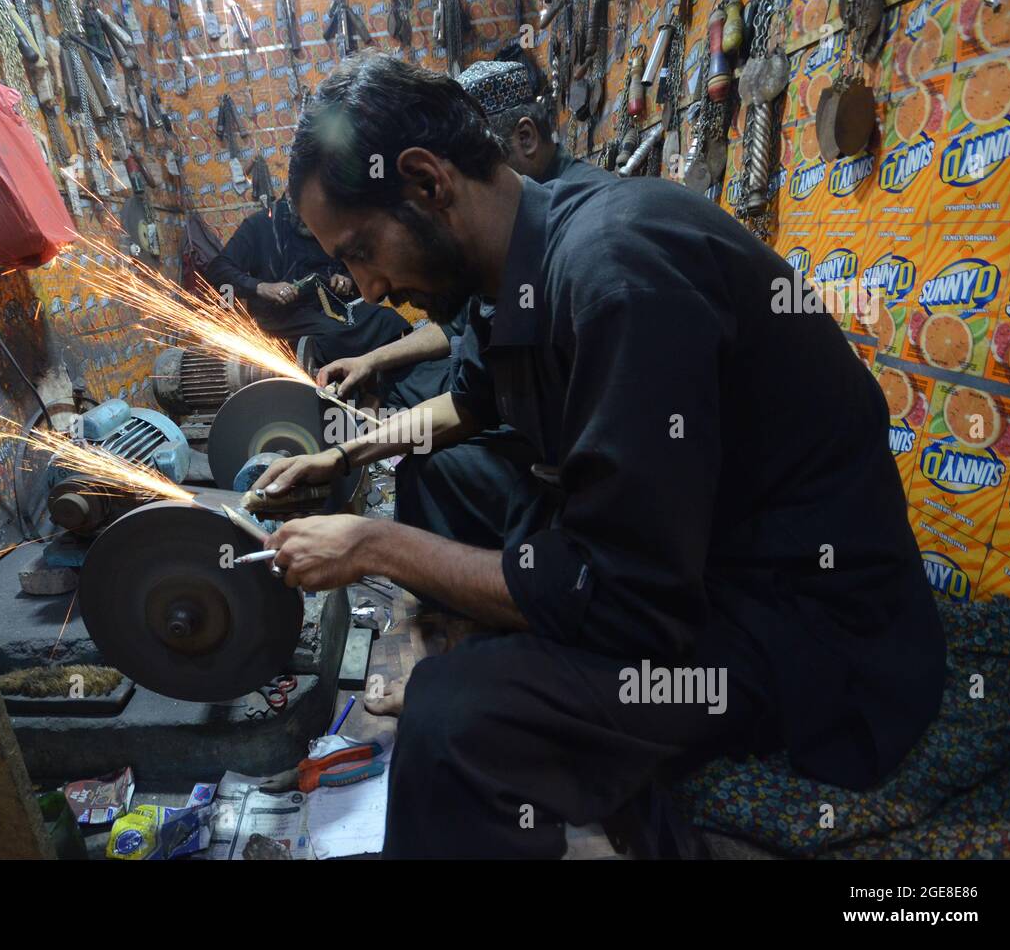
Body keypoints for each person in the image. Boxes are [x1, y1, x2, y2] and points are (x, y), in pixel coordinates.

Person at [252, 53, 946, 858]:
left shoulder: (618, 272)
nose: (365, 288)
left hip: (804, 626)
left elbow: (625, 601)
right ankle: (509, 664)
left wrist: (377, 545)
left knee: (455, 723)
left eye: (360, 250)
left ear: (426, 181)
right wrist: (345, 456)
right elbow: (471, 404)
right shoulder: (516, 257)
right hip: (690, 553)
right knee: (443, 477)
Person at [317, 58, 594, 409]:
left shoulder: (589, 247)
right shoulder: (502, 256)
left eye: (485, 154)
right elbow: (460, 336)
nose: (475, 172)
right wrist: (371, 362)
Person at [202, 194, 407, 365]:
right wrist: (262, 287)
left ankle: (381, 396)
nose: (312, 225)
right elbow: (218, 270)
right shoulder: (260, 225)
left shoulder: (332, 223)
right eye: (304, 218)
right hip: (281, 318)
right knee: (334, 336)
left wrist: (347, 279)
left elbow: (359, 266)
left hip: (331, 308)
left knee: (387, 321)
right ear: (290, 200)